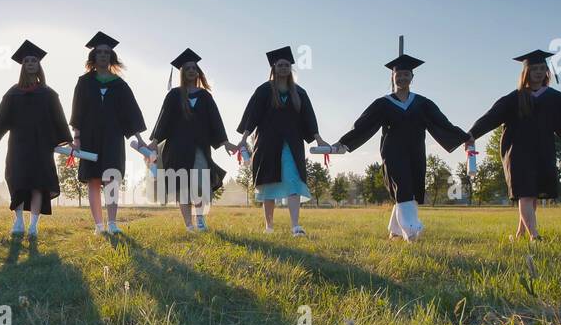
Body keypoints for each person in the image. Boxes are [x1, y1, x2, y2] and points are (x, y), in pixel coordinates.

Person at [466, 50, 561, 240]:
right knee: (524, 193)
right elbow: (491, 117)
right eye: (534, 69)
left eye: (542, 68)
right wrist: (471, 134)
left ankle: (520, 234)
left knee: (532, 195)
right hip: (517, 151)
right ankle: (535, 236)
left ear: (547, 71)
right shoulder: (514, 98)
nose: (539, 72)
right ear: (526, 72)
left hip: (543, 151)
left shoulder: (555, 97)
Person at [332, 51, 469, 241]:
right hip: (393, 152)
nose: (402, 77)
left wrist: (464, 136)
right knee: (403, 187)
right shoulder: (383, 104)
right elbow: (363, 125)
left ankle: (395, 232)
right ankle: (411, 231)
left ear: (412, 77)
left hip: (416, 152)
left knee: (410, 189)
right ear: (393, 76)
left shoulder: (422, 103)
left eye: (406, 74)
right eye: (399, 74)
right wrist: (344, 143)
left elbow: (442, 123)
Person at [0, 40, 71, 238]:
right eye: (27, 61)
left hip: (41, 146)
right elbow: (0, 119)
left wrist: (68, 141)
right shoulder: (13, 94)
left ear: (39, 65)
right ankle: (18, 220)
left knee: (38, 184)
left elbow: (59, 119)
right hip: (19, 146)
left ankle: (33, 224)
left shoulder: (49, 94)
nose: (31, 63)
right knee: (17, 181)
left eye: (34, 60)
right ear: (22, 66)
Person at [235, 46, 329, 236]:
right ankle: (269, 226)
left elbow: (308, 118)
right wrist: (243, 139)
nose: (283, 68)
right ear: (274, 67)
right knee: (268, 183)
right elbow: (251, 116)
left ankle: (296, 225)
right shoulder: (263, 90)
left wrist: (318, 139)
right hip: (267, 144)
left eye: (287, 65)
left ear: (290, 68)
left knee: (293, 181)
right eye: (280, 65)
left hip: (291, 144)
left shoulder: (299, 92)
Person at [69, 31, 149, 234]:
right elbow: (77, 111)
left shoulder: (120, 85)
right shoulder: (84, 82)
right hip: (89, 136)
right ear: (93, 56)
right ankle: (98, 226)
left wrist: (140, 141)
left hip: (113, 137)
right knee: (94, 180)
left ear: (111, 57)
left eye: (107, 53)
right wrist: (76, 138)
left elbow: (131, 114)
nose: (103, 55)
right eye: (99, 52)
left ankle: (112, 223)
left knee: (111, 177)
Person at [149, 48, 235, 231]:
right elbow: (163, 120)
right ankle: (189, 224)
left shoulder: (205, 96)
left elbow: (216, 121)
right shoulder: (174, 95)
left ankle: (200, 218)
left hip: (200, 147)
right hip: (177, 148)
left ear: (198, 72)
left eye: (194, 68)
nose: (191, 71)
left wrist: (225, 142)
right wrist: (155, 141)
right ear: (182, 72)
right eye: (187, 68)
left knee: (200, 183)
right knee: (182, 186)